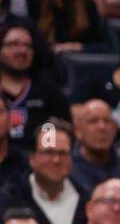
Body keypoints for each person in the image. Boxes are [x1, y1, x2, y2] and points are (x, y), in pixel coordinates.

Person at [0, 118, 86, 224]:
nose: (56, 160)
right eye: (48, 153)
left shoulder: (88, 201)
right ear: (32, 158)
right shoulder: (8, 200)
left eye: (62, 153)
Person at [0, 22, 71, 151]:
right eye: (14, 44)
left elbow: (63, 134)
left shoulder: (49, 91)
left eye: (28, 46)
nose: (22, 51)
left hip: (38, 163)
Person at [71, 99, 120, 193]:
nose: (102, 127)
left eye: (107, 121)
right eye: (93, 121)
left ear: (115, 129)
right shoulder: (68, 168)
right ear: (78, 131)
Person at [35, 0, 106, 54]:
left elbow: (104, 46)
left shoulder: (88, 5)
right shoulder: (37, 6)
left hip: (82, 62)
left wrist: (76, 46)